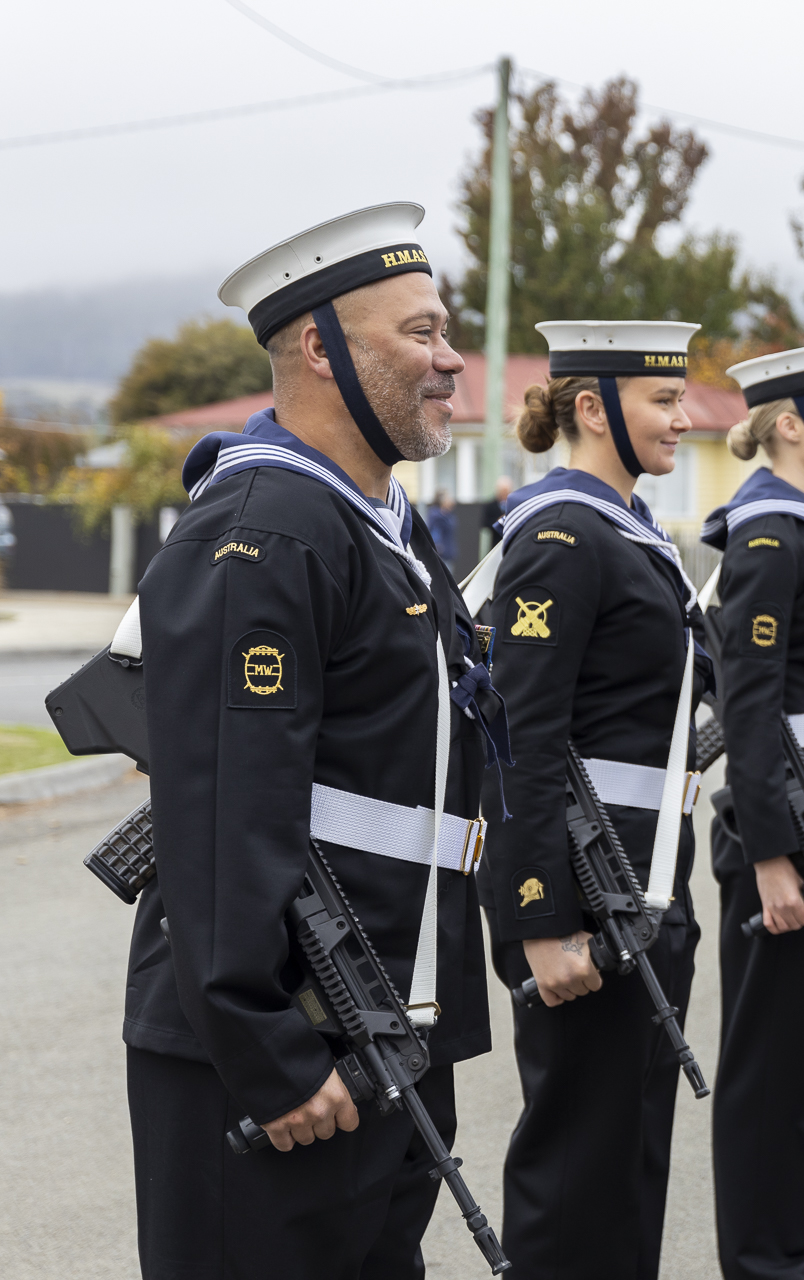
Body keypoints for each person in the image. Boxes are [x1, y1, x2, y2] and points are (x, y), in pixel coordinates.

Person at [124, 203, 500, 1275]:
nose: (450, 358)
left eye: (445, 329)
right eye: (418, 333)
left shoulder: (376, 527)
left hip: (380, 1023)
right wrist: (267, 1050)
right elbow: (220, 809)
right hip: (282, 1054)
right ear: (317, 348)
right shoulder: (266, 528)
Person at [477, 319, 705, 1277]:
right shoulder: (563, 535)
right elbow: (518, 739)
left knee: (626, 1155)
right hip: (585, 898)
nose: (684, 417)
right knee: (577, 1165)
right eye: (663, 399)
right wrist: (538, 918)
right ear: (590, 407)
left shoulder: (626, 531)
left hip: (642, 886)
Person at [703, 340, 804, 1280]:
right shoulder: (769, 535)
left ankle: (803, 1246)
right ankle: (768, 1261)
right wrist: (774, 854)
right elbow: (750, 706)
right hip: (785, 831)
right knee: (775, 1072)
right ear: (792, 423)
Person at [427, 486, 459, 563]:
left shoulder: (448, 515)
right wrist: (439, 547)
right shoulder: (436, 516)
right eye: (448, 498)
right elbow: (435, 533)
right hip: (441, 554)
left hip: (448, 553)